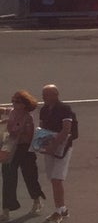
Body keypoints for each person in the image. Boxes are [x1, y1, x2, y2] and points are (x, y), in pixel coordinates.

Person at [1, 91, 45, 221]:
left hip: (24, 149)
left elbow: (28, 136)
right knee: (8, 176)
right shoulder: (12, 112)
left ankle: (36, 200)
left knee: (29, 176)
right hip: (10, 147)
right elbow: (4, 111)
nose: (13, 103)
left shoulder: (28, 118)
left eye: (17, 102)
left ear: (25, 105)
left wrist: (14, 132)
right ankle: (6, 210)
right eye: (13, 100)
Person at [39, 85, 75, 223]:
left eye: (45, 94)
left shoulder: (64, 109)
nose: (43, 97)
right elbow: (42, 129)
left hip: (63, 148)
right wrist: (42, 144)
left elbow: (66, 130)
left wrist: (54, 146)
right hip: (49, 148)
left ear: (55, 94)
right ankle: (62, 209)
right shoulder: (43, 110)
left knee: (56, 179)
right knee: (53, 179)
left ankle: (59, 211)